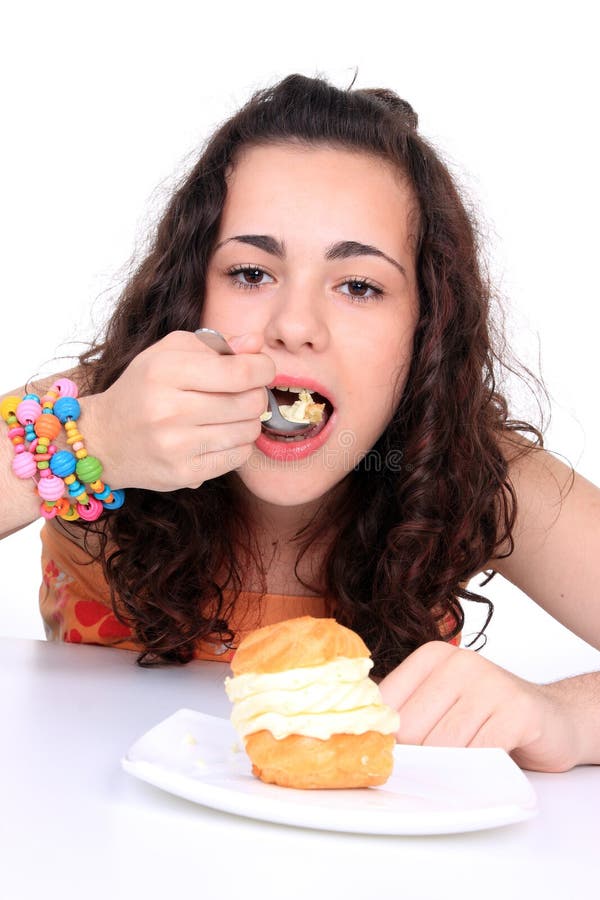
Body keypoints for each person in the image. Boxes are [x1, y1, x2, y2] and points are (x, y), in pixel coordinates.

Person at [1, 73, 598, 773]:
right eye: (251, 274)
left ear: (424, 330)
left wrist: (566, 719)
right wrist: (96, 443)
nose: (295, 325)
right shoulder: (89, 416)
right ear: (191, 293)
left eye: (359, 286)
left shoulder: (469, 464)